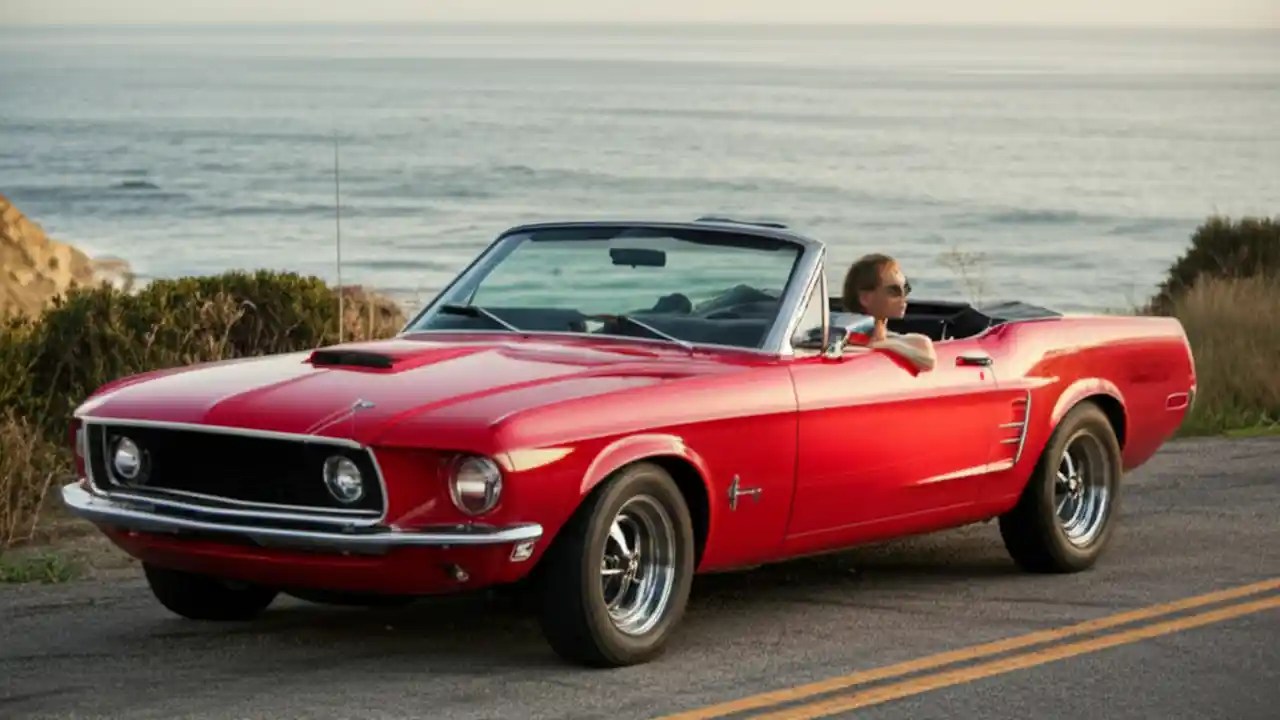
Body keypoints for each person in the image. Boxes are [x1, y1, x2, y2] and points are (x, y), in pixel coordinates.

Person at [840, 253, 937, 372]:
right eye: (893, 291)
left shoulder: (915, 342)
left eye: (905, 290)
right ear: (865, 298)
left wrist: (886, 345)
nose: (903, 298)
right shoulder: (839, 341)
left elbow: (928, 362)